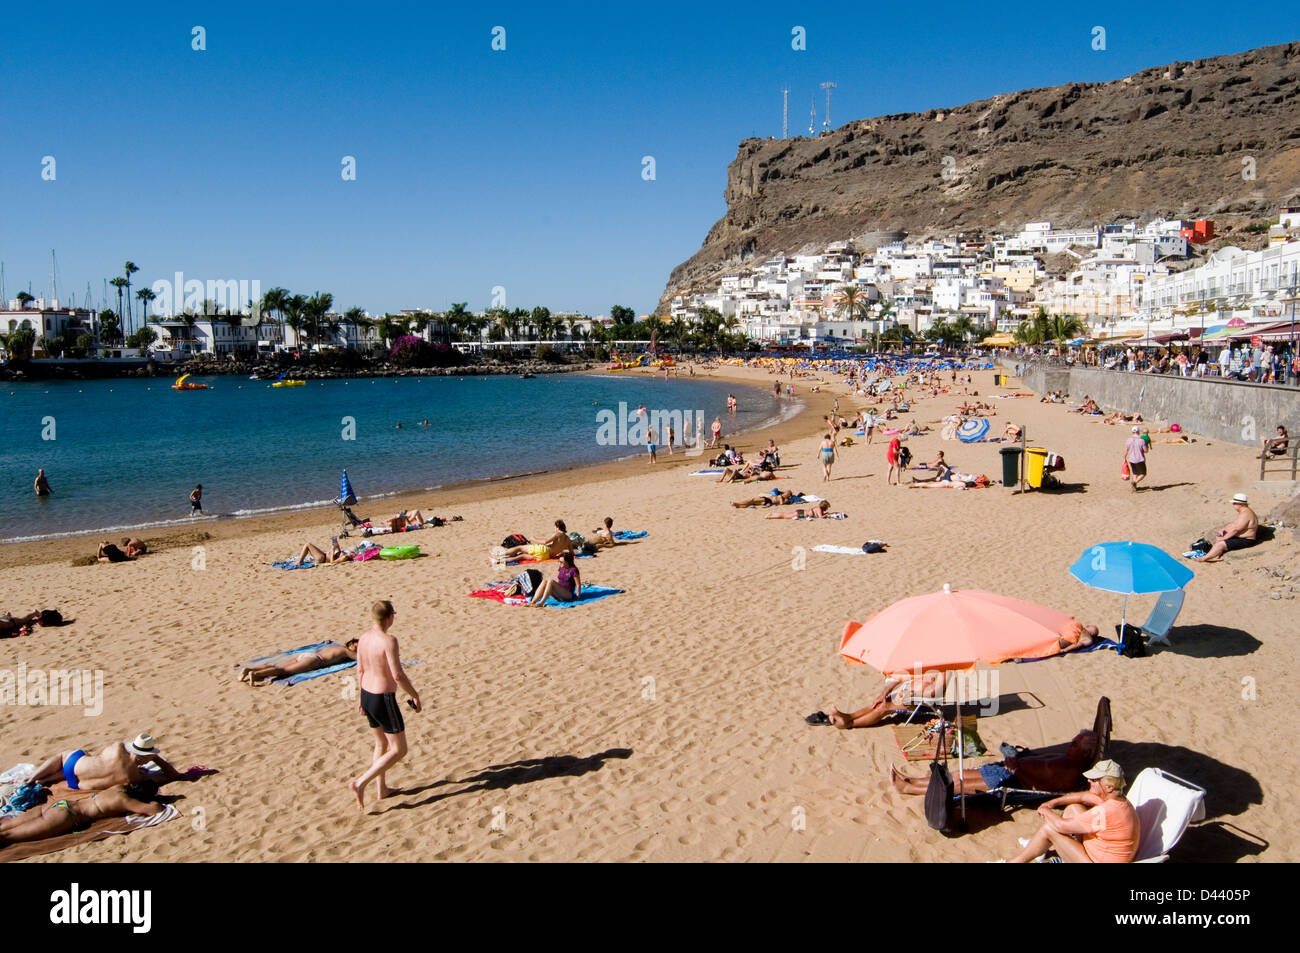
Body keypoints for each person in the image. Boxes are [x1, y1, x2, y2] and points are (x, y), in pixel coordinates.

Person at [350, 601, 420, 810]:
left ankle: (382, 789)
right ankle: (360, 783)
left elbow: (360, 670)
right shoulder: (389, 641)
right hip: (383, 697)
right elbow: (397, 674)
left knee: (381, 744)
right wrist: (414, 695)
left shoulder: (363, 638)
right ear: (390, 617)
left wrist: (360, 699)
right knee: (399, 749)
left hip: (367, 694)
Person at [890, 729, 1100, 797]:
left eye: (1076, 743)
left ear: (1083, 752)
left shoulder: (1069, 769)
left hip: (1011, 780)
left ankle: (910, 788)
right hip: (1010, 772)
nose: (1071, 743)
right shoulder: (1069, 760)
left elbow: (1038, 780)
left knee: (957, 783)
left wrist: (1014, 764)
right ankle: (915, 781)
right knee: (957, 775)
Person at [1007, 760, 1140, 863]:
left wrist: (1045, 810)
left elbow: (1060, 825)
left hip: (1097, 860)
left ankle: (1014, 861)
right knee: (1073, 808)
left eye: (1094, 780)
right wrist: (1052, 803)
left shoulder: (1106, 812)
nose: (1089, 781)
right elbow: (1082, 796)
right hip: (1098, 854)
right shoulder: (1117, 799)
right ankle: (1040, 848)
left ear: (1109, 787)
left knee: (1050, 829)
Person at [0, 784, 163, 847]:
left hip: (60, 804)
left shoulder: (118, 788)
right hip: (69, 815)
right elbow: (154, 810)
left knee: (4, 826)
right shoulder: (124, 800)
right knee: (8, 836)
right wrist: (154, 801)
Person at [31, 734, 190, 792]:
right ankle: (43, 781)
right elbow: (174, 775)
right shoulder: (134, 778)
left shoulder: (117, 748)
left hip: (74, 766)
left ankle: (32, 779)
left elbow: (100, 756)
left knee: (64, 756)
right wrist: (156, 758)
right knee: (71, 775)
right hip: (79, 786)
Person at [821, 671, 949, 729]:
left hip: (923, 704)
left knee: (884, 707)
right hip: (908, 695)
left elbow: (934, 693)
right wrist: (885, 692)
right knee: (882, 701)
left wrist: (912, 694)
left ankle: (850, 723)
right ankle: (848, 716)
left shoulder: (945, 670)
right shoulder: (929, 660)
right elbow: (904, 676)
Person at [240, 639, 359, 686]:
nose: (357, 648)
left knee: (278, 667)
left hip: (307, 655)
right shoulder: (345, 651)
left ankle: (249, 670)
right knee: (284, 671)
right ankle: (255, 675)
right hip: (314, 660)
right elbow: (359, 658)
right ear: (350, 645)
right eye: (356, 646)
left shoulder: (336, 648)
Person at [1199, 493, 1259, 562]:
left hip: (1247, 540)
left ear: (1240, 504)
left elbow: (1236, 529)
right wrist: (1223, 529)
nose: (1233, 505)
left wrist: (1224, 538)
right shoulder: (1243, 512)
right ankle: (1216, 553)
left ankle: (1204, 558)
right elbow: (1233, 524)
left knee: (1220, 544)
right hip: (1240, 537)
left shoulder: (1246, 514)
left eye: (1234, 503)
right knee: (1219, 538)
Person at [492, 520, 574, 563]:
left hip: (544, 550)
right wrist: (561, 553)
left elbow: (545, 541)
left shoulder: (557, 534)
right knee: (521, 556)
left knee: (519, 548)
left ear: (557, 527)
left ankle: (498, 554)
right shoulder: (568, 540)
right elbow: (572, 553)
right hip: (546, 556)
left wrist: (534, 539)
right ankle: (500, 561)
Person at [1123, 425, 1148, 490]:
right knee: (1143, 473)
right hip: (1139, 459)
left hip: (1131, 458)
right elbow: (1145, 450)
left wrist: (1124, 457)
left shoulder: (1128, 440)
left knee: (1135, 473)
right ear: (1138, 431)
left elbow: (1126, 450)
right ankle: (1134, 482)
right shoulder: (1141, 441)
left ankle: (1134, 487)